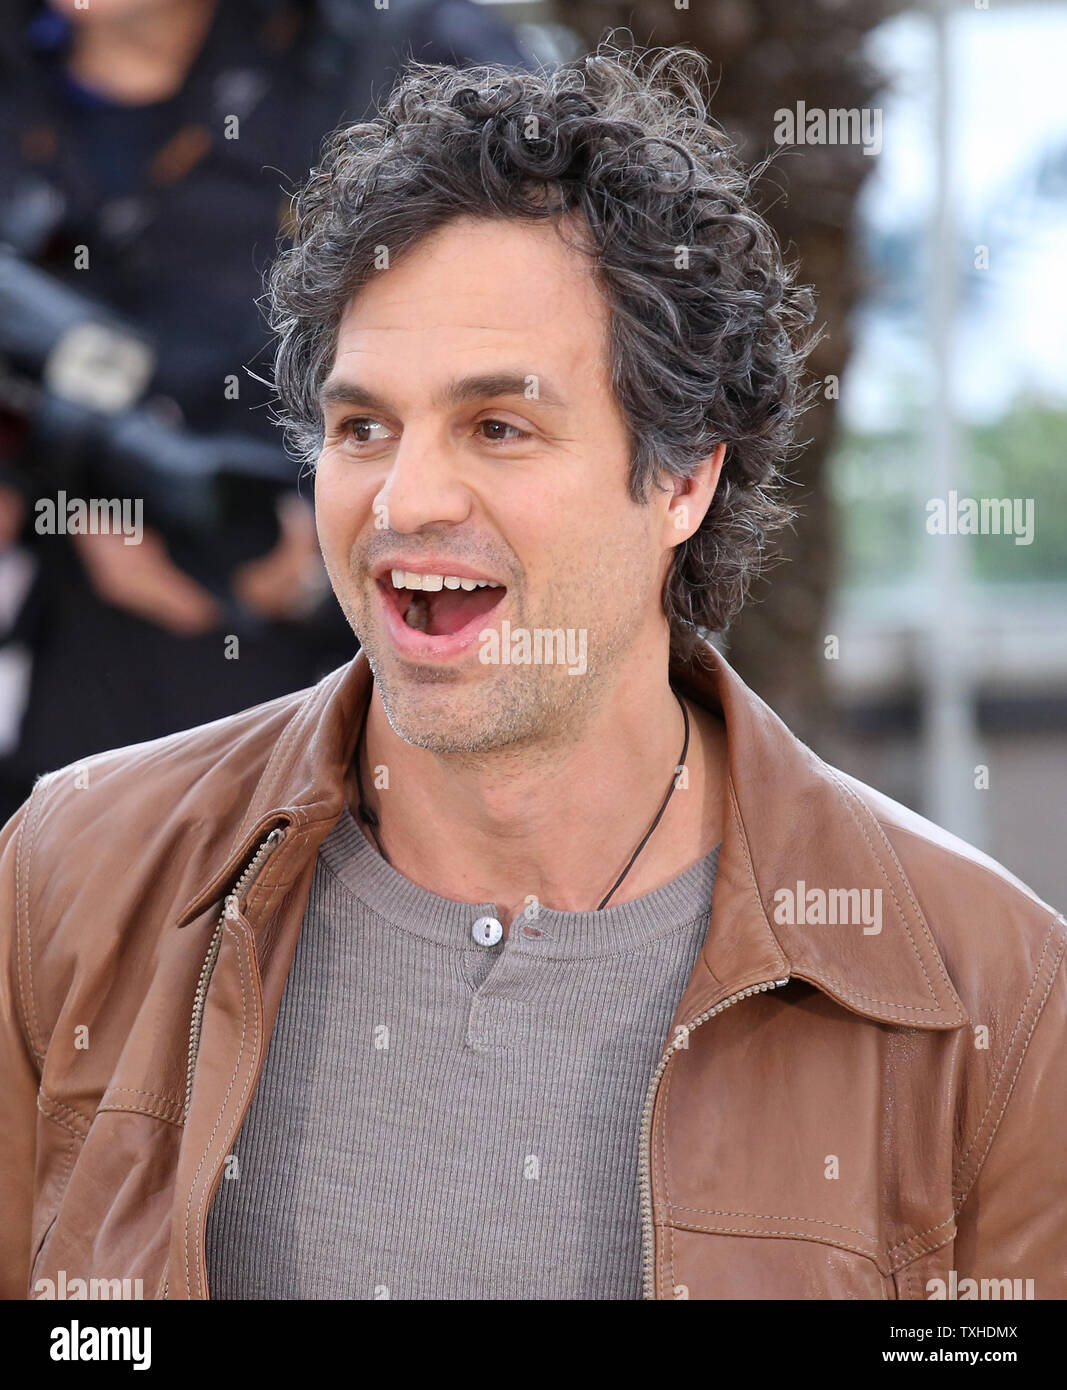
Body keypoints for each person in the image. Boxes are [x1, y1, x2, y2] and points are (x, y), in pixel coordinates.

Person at [2, 47, 1064, 1303]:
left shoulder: (989, 993)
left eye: (497, 426)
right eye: (363, 428)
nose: (405, 499)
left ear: (681, 478)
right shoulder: (73, 874)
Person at [0, 0, 529, 821]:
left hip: (365, 675)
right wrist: (57, 483)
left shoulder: (416, 55)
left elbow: (554, 357)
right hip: (65, 693)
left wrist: (341, 541)